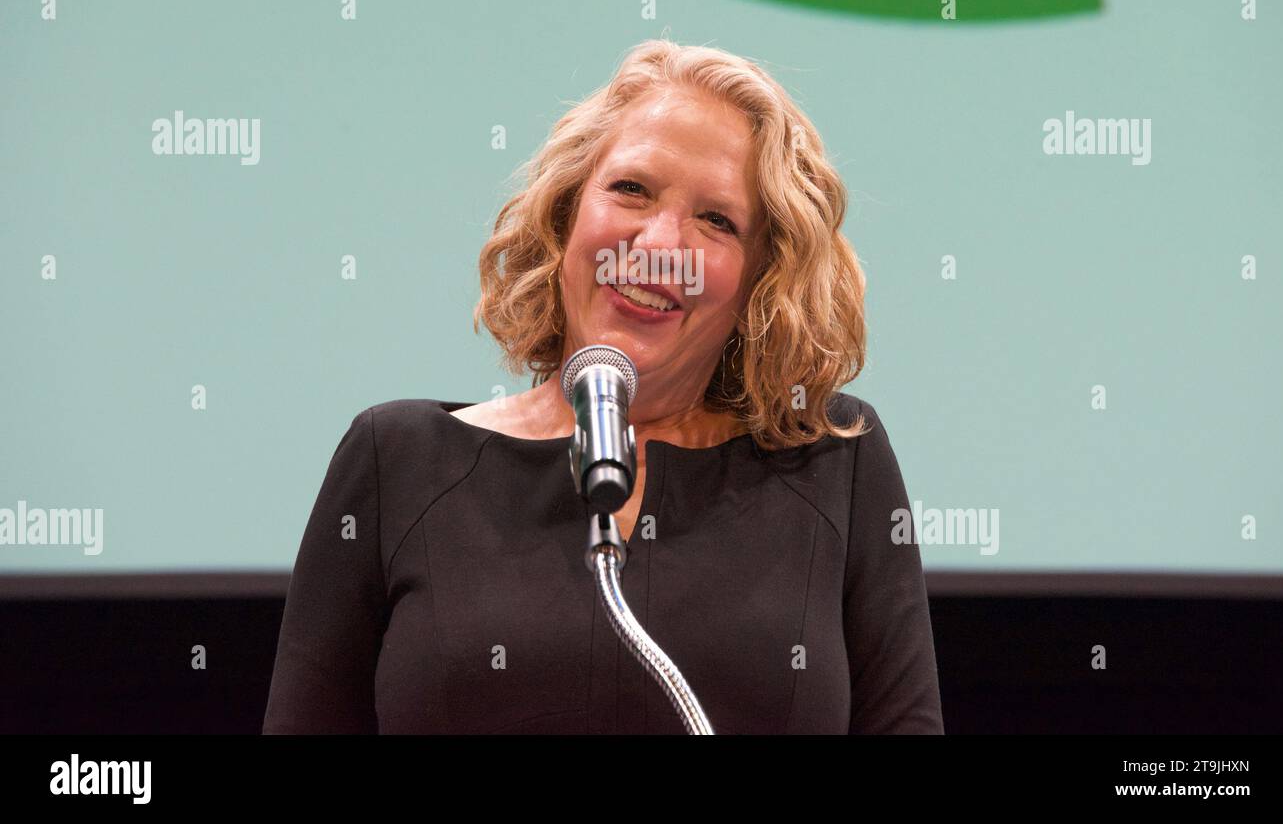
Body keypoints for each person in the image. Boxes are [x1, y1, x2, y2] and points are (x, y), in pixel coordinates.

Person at [262, 39, 943, 734]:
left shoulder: (830, 459)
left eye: (716, 221)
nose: (653, 249)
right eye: (630, 190)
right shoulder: (398, 460)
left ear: (759, 285)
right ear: (565, 218)